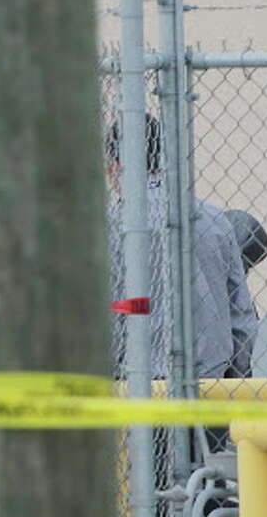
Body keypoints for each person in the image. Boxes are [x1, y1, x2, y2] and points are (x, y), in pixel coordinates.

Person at [105, 116, 258, 382]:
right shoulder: (213, 218)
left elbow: (114, 310)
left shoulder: (113, 224)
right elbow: (241, 315)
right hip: (210, 381)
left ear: (116, 165)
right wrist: (239, 377)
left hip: (141, 381)